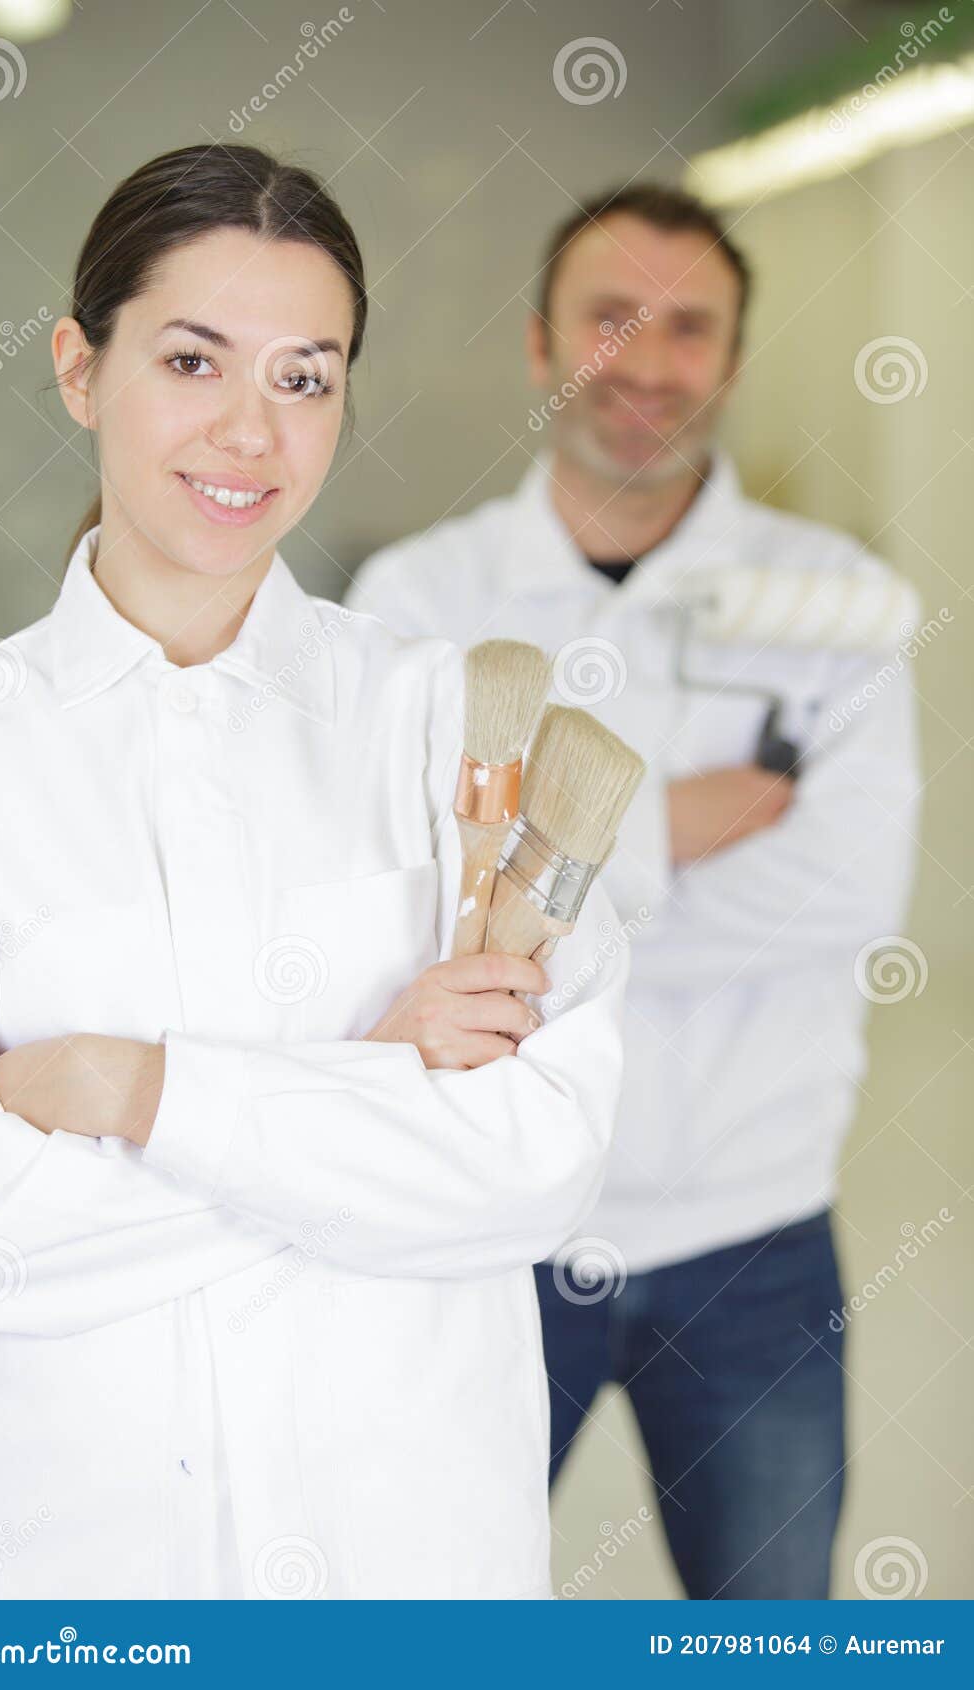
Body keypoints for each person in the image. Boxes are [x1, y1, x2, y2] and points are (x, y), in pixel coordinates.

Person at [0, 143, 630, 1602]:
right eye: (193, 360)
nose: (252, 430)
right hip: (69, 1581)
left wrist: (136, 1089)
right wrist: (374, 1091)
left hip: (417, 1573)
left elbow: (537, 1166)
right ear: (75, 368)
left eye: (306, 376)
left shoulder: (456, 726)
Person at [347, 185, 921, 1599]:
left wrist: (531, 916)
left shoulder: (838, 604)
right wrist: (671, 829)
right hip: (486, 1232)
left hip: (750, 1239)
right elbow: (399, 909)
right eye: (612, 318)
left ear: (729, 359)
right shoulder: (420, 595)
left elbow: (846, 892)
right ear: (542, 346)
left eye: (689, 327)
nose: (649, 363)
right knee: (421, 1613)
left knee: (768, 1632)